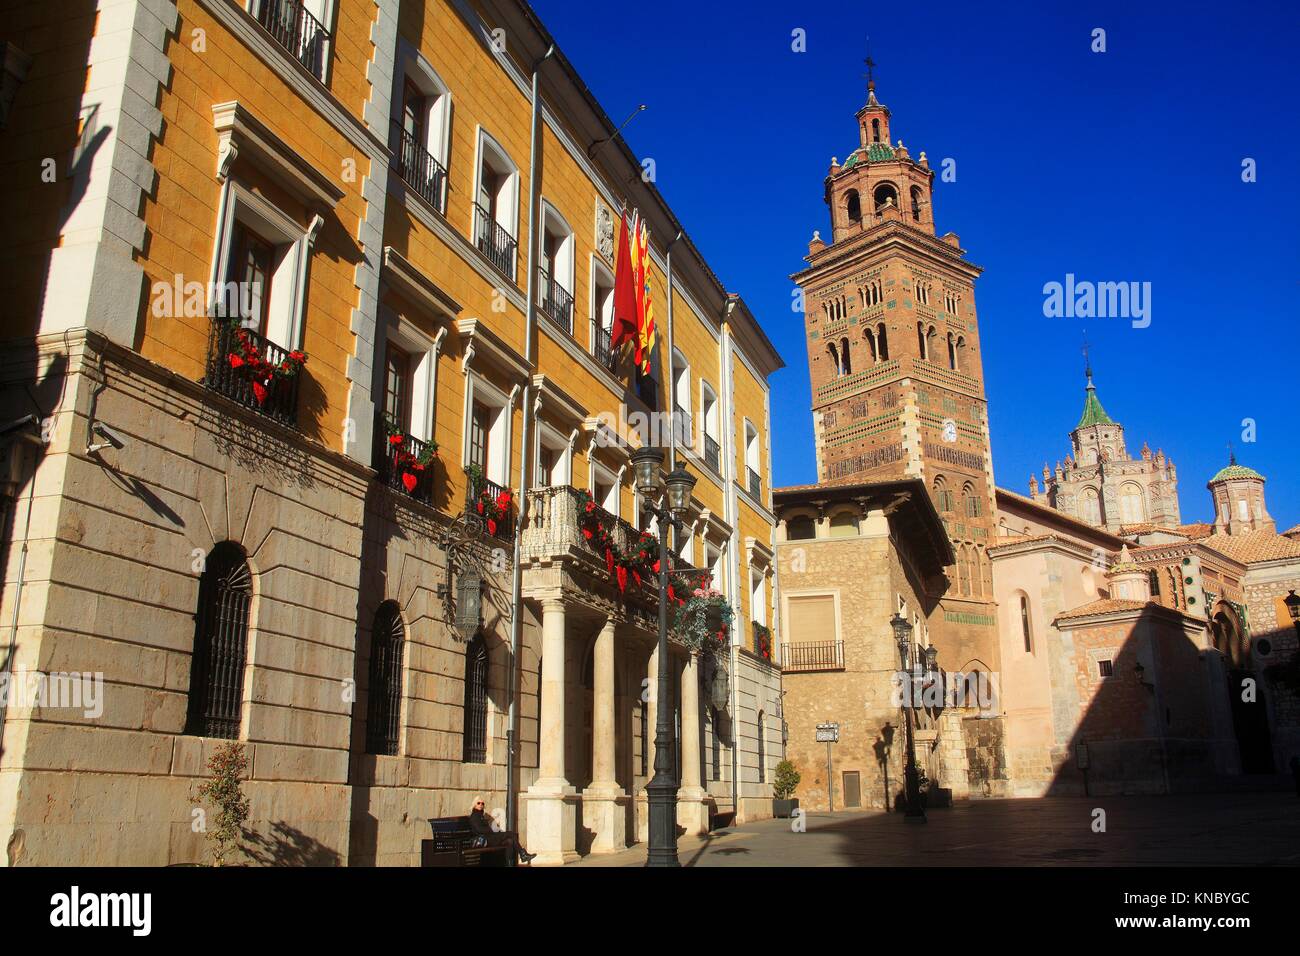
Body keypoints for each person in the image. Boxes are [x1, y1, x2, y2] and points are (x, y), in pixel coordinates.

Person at [468, 797, 536, 864]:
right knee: (511, 834)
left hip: (489, 838)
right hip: (484, 840)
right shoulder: (474, 816)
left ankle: (510, 863)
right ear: (474, 804)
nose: (480, 805)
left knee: (510, 841)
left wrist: (491, 830)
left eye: (482, 803)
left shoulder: (480, 815)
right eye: (478, 803)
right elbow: (479, 830)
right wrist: (490, 830)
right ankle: (523, 854)